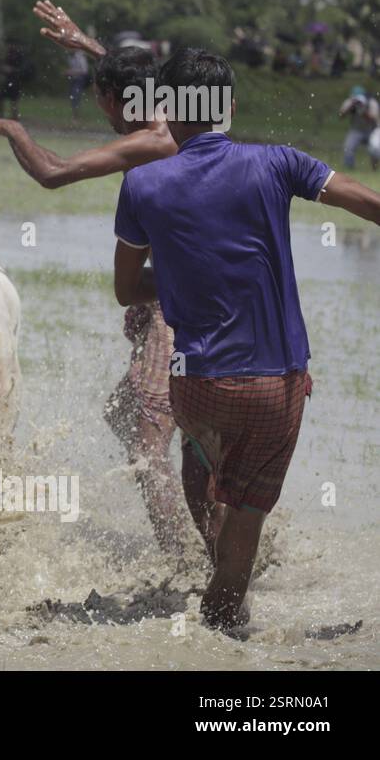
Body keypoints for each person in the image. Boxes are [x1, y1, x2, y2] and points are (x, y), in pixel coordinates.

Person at [113, 48, 380, 633]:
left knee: (199, 455)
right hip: (274, 390)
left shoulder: (142, 184)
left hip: (196, 388)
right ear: (228, 107)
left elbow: (127, 290)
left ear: (167, 108)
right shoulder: (279, 163)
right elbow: (367, 202)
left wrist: (184, 270)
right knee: (245, 514)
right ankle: (226, 612)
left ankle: (215, 549)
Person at [0, 0, 187, 555]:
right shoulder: (174, 112)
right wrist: (87, 43)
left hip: (175, 302)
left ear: (113, 100)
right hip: (173, 291)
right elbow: (135, 75)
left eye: (102, 100)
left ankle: (183, 556)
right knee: (124, 411)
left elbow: (52, 172)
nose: (103, 111)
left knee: (146, 436)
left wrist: (15, 129)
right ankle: (208, 523)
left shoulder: (149, 141)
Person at [339, 84, 379, 171]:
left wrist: (363, 111)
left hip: (371, 131)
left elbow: (374, 120)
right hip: (356, 130)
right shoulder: (350, 102)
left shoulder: (372, 103)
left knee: (375, 149)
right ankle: (349, 168)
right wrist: (351, 107)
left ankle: (374, 169)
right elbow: (341, 116)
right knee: (348, 147)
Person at [67, 48, 91, 120]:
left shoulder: (80, 57)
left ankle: (76, 116)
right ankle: (75, 115)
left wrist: (72, 72)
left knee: (76, 96)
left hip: (79, 79)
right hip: (74, 79)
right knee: (73, 97)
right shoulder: (71, 57)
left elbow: (84, 71)